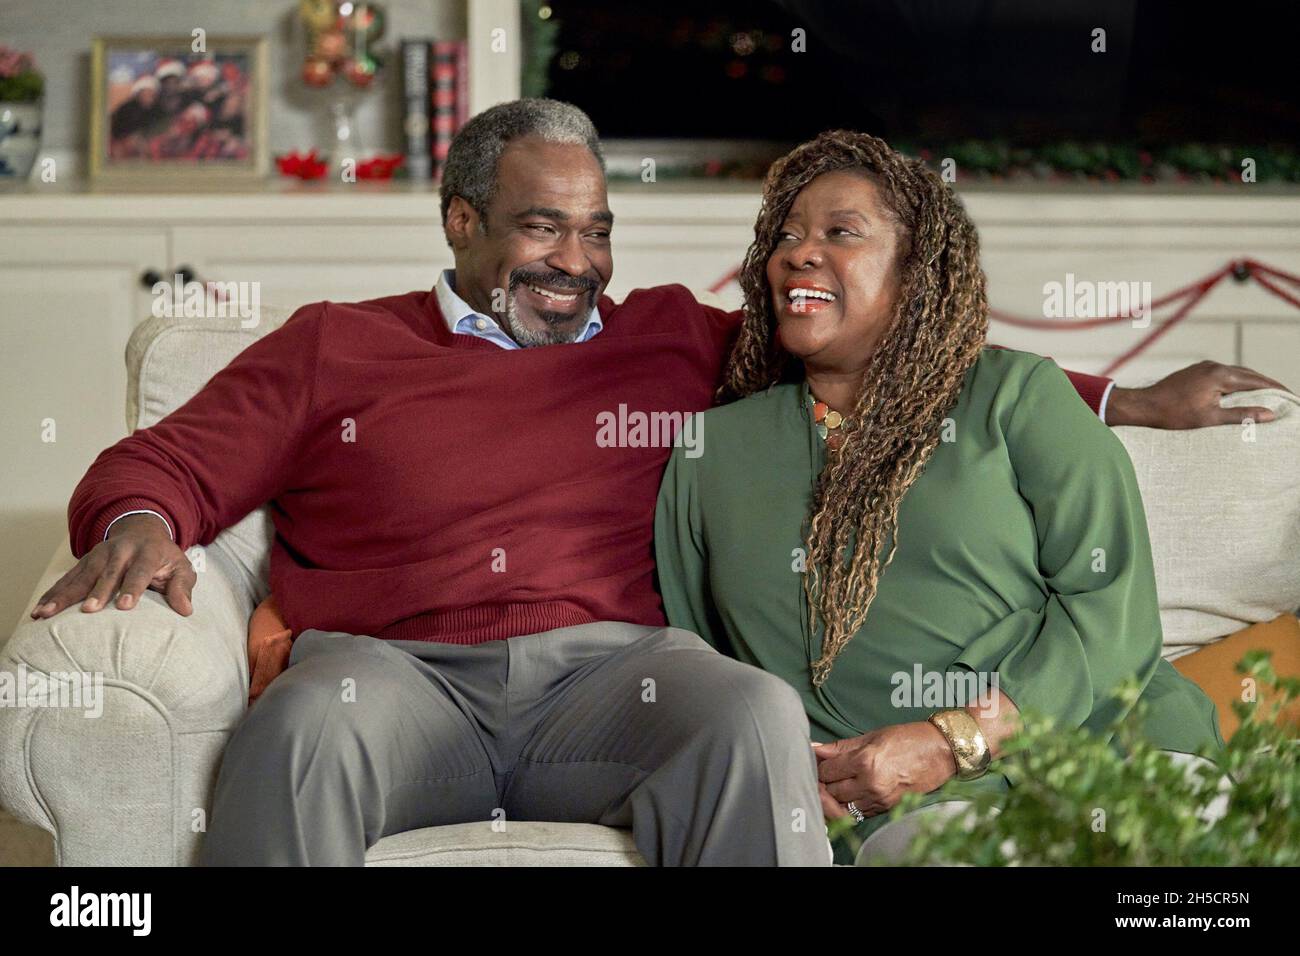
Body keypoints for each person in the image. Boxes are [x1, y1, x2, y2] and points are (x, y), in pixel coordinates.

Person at [32, 100, 1283, 867]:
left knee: (750, 716)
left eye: (595, 232)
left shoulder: (676, 337)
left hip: (613, 673)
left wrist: (1121, 399)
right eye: (540, 228)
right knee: (299, 730)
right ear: (460, 222)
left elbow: (906, 352)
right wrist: (140, 519)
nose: (575, 262)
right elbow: (168, 460)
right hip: (394, 671)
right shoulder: (334, 343)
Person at [653, 129, 1242, 865]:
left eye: (842, 233)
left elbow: (1110, 603)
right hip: (900, 815)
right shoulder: (712, 455)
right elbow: (706, 668)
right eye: (787, 236)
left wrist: (955, 738)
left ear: (916, 270)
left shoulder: (1015, 397)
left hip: (1095, 753)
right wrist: (785, 766)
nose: (799, 252)